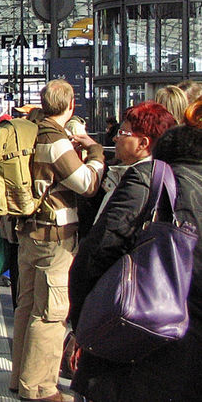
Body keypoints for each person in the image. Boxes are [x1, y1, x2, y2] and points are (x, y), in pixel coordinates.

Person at [69, 101, 202, 402]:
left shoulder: (151, 180)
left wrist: (82, 327)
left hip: (137, 343)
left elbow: (94, 256)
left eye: (122, 132)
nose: (115, 137)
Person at [10, 80, 104, 402]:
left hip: (28, 235)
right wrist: (94, 150)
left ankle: (19, 378)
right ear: (71, 104)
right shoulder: (55, 139)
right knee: (49, 315)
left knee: (26, 307)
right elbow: (87, 183)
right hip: (55, 239)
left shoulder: (31, 131)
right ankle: (38, 389)